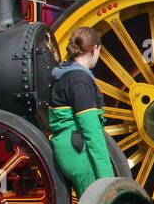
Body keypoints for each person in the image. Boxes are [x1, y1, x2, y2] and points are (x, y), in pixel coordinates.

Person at [49, 27, 115, 195]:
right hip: (79, 150)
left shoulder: (64, 74)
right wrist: (106, 174)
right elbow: (91, 130)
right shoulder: (80, 81)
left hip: (68, 148)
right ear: (95, 49)